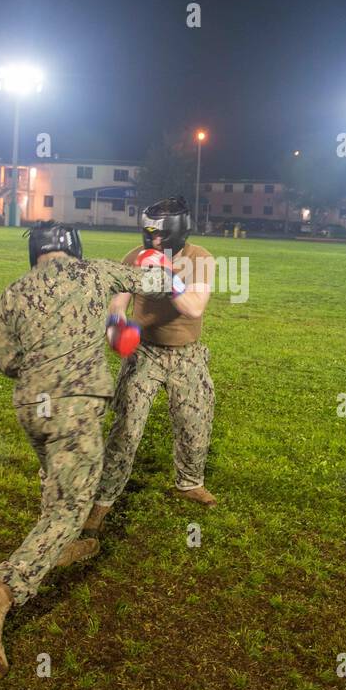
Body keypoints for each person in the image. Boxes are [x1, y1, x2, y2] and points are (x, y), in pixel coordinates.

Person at [0, 221, 195, 679]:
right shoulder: (98, 272)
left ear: (36, 253)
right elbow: (164, 283)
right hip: (75, 404)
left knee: (56, 483)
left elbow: (3, 361)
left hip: (32, 406)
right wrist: (164, 261)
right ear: (76, 248)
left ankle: (57, 547)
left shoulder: (13, 291)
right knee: (71, 507)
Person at [70, 197, 215, 551]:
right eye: (148, 233)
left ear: (178, 233)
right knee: (127, 429)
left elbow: (194, 307)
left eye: (158, 235)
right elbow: (118, 302)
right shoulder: (134, 257)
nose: (151, 241)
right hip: (145, 354)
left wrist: (166, 278)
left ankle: (189, 482)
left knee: (194, 424)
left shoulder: (201, 259)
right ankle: (101, 503)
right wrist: (115, 326)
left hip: (187, 355)